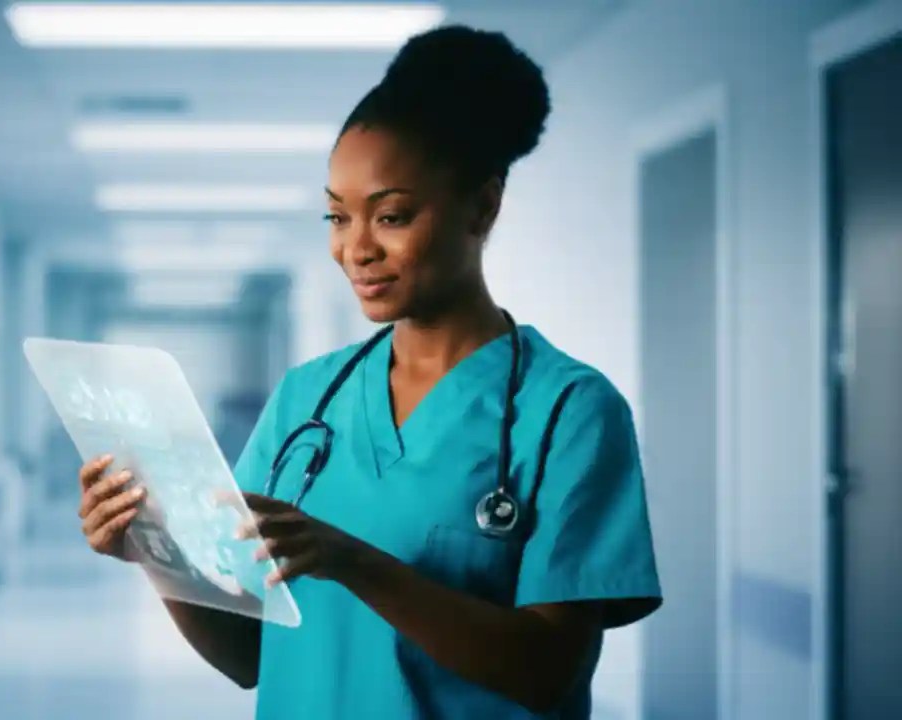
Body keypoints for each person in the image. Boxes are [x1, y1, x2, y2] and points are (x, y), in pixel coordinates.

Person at [76, 24, 662, 719]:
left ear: (483, 205)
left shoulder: (569, 411)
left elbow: (548, 672)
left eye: (391, 216)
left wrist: (352, 562)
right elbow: (246, 657)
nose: (355, 249)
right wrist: (154, 548)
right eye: (336, 216)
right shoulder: (305, 400)